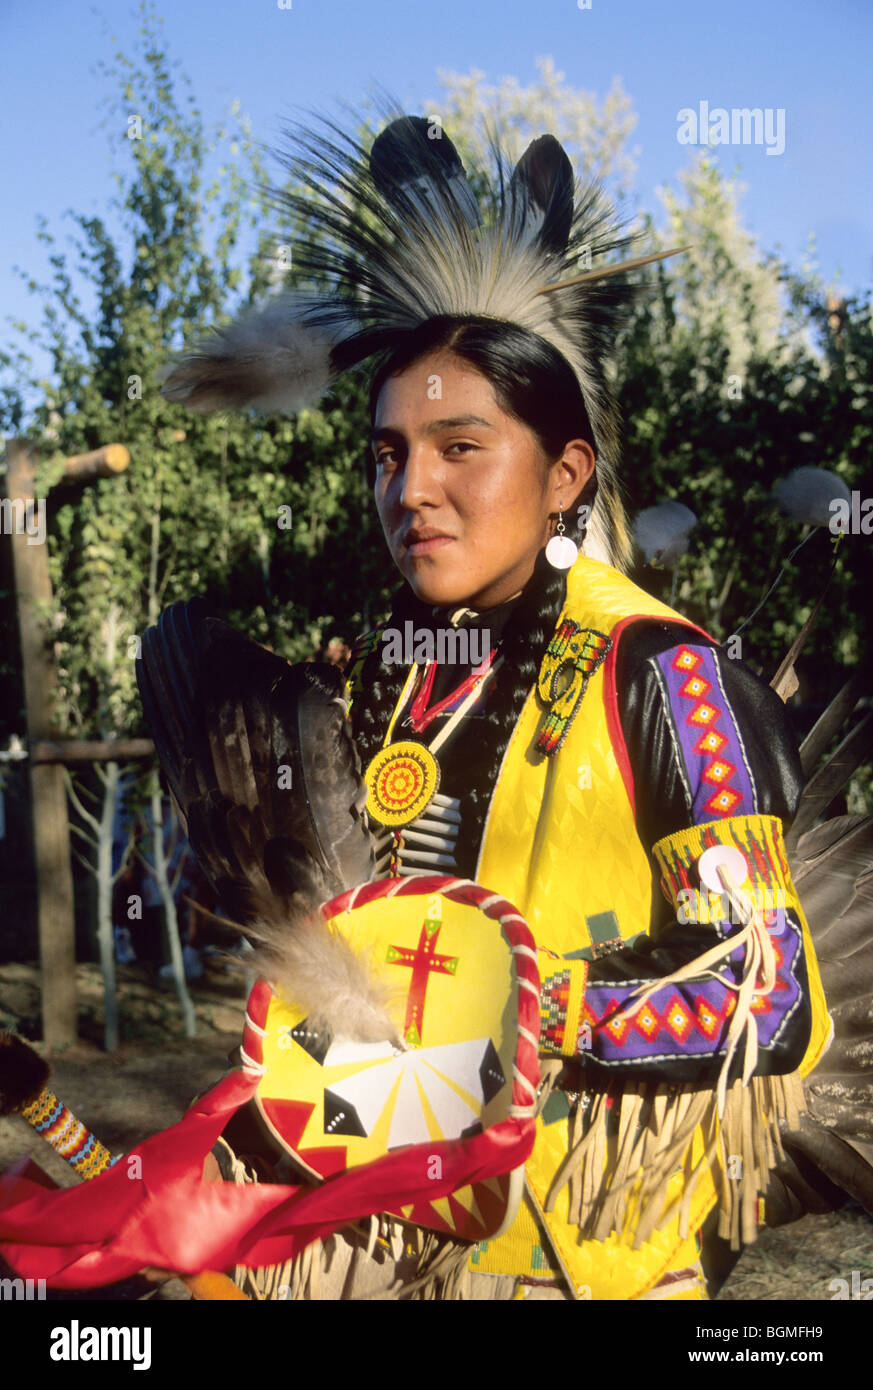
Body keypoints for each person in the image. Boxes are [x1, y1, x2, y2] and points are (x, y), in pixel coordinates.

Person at [159, 110, 830, 1300]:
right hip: (381, 1205)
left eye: (461, 445)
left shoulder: (664, 676)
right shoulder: (402, 674)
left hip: (578, 1250)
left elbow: (769, 992)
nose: (411, 488)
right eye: (385, 453)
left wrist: (518, 1007)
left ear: (566, 473)